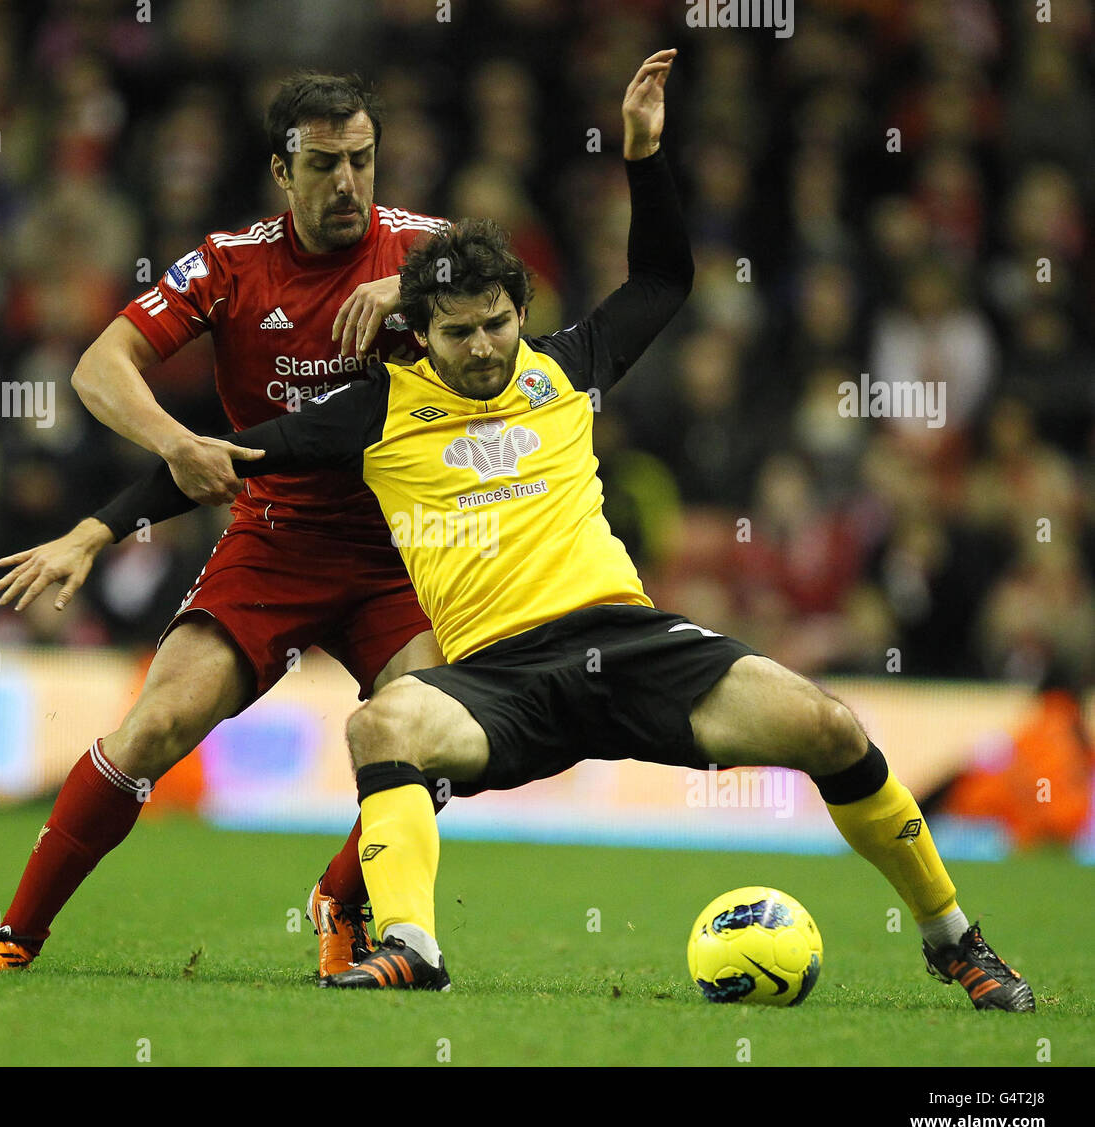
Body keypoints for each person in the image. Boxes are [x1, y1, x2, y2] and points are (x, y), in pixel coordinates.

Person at [117, 48, 1035, 1009]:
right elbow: (225, 460)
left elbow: (664, 278)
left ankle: (954, 940)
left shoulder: (570, 366)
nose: (483, 345)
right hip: (497, 680)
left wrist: (645, 156)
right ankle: (412, 946)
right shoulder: (380, 407)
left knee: (828, 723)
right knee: (382, 721)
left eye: (498, 323)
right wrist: (101, 530)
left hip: (628, 645)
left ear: (523, 313)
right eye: (460, 330)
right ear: (422, 333)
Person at [0, 72, 449, 980]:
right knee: (153, 730)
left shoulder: (429, 252)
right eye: (324, 163)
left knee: (438, 733)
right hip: (275, 538)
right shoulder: (230, 264)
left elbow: (519, 306)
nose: (348, 183)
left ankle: (343, 897)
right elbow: (102, 367)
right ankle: (15, 934)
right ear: (279, 172)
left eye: (363, 161)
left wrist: (417, 297)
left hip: (400, 553)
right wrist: (178, 445)